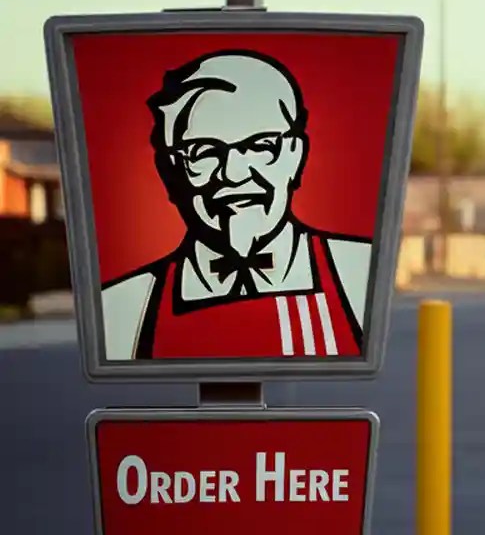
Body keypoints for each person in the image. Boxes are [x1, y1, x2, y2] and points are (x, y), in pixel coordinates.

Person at [100, 50, 372, 360]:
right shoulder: (128, 304)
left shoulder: (358, 271)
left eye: (260, 146)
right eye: (204, 151)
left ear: (296, 155)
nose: (234, 173)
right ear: (172, 171)